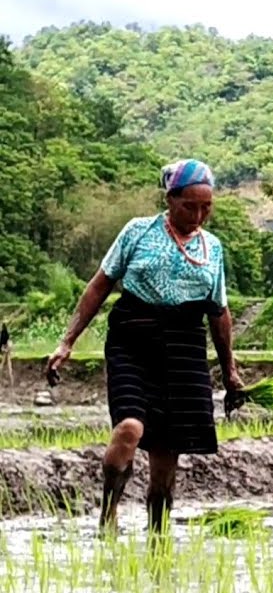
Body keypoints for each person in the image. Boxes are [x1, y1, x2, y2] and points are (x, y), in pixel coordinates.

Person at [45, 159, 242, 533]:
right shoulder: (138, 231)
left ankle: (158, 538)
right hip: (133, 342)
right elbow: (99, 286)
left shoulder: (212, 249)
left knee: (166, 457)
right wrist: (67, 341)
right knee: (130, 428)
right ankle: (108, 516)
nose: (198, 215)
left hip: (184, 350)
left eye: (206, 207)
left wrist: (230, 371)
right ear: (170, 199)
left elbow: (218, 311)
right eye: (190, 206)